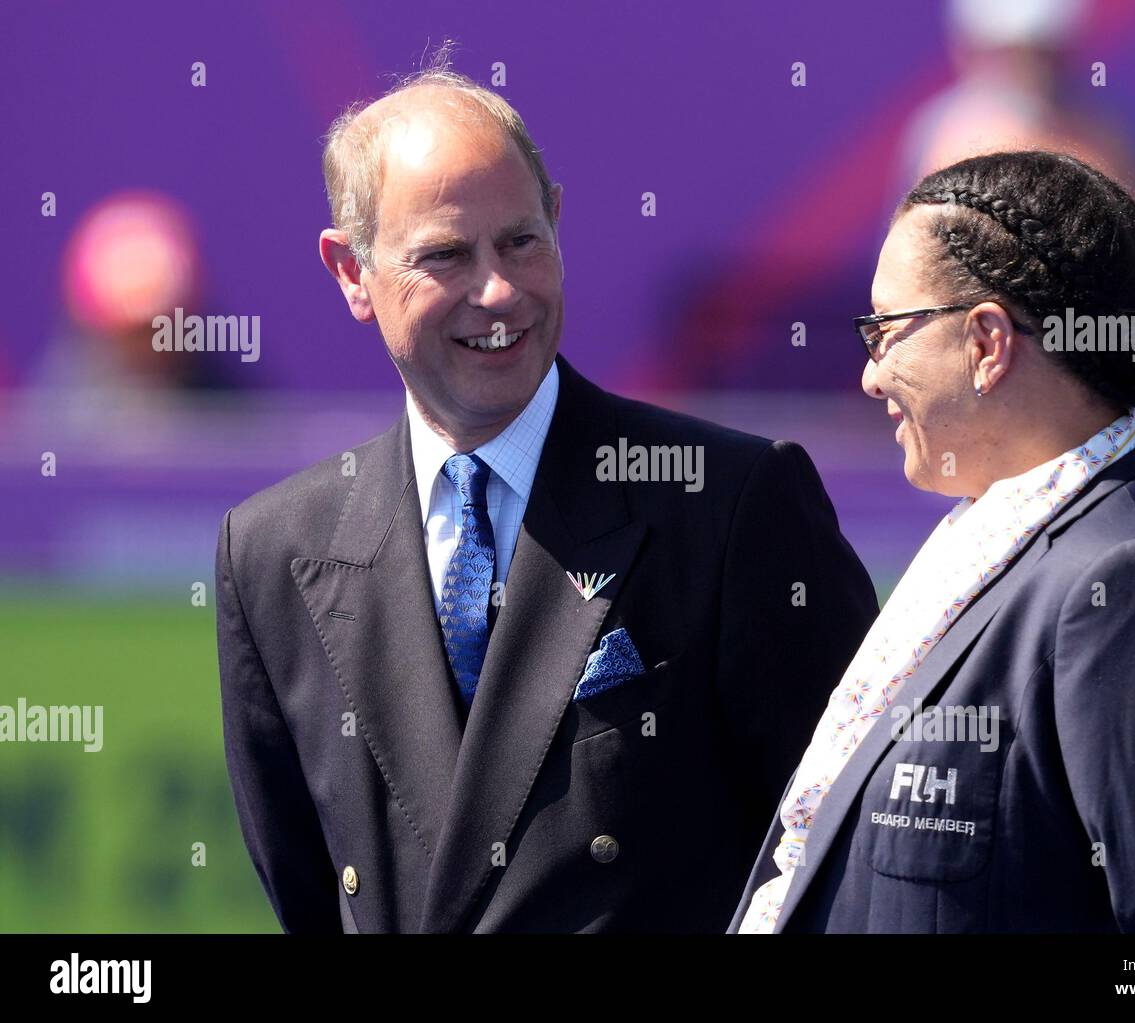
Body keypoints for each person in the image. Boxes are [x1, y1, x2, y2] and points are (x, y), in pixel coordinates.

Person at [214, 55, 877, 933]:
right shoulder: (273, 552)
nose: (497, 292)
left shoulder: (730, 503)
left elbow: (848, 857)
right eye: (445, 255)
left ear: (558, 220)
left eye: (521, 241)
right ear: (350, 272)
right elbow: (302, 889)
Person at [731, 150, 1135, 933]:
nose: (870, 375)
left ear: (988, 343)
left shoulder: (1134, 586)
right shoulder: (990, 538)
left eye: (886, 331)